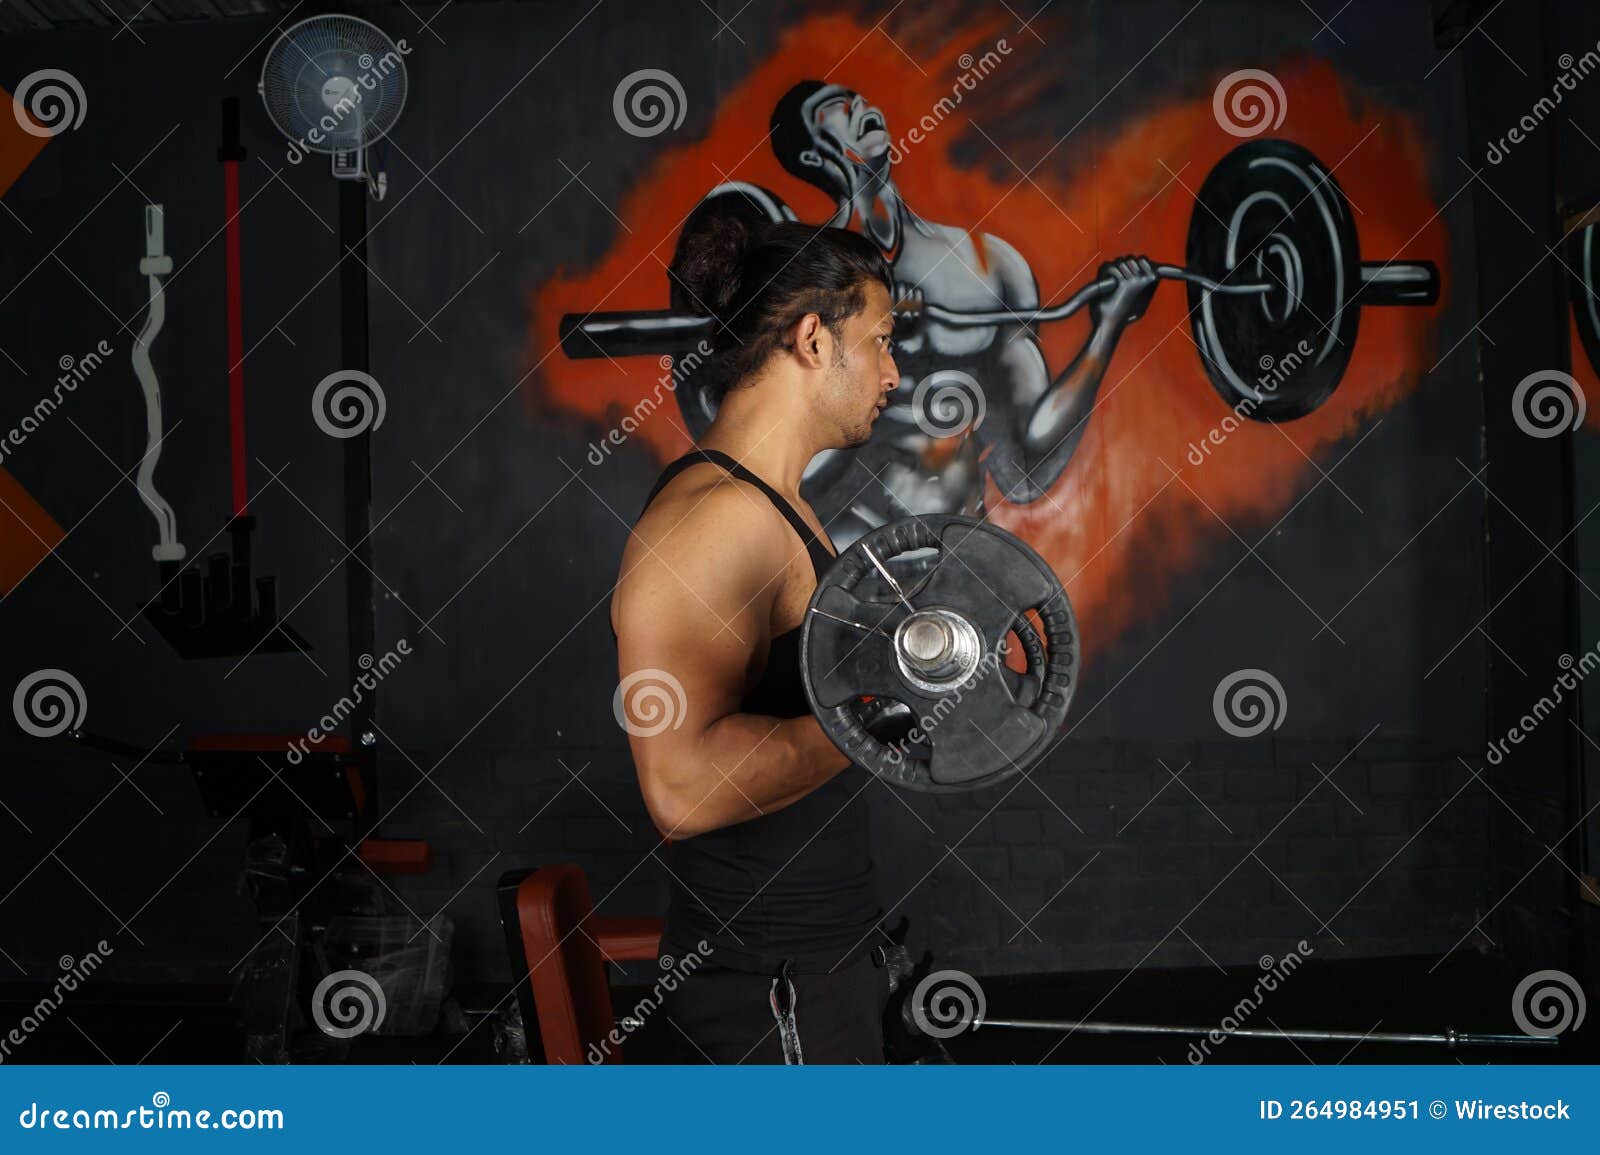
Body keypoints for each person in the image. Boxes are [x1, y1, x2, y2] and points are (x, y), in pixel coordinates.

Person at [609, 217, 900, 1063]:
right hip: (768, 994)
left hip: (818, 965)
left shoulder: (778, 508)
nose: (894, 370)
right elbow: (682, 787)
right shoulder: (719, 518)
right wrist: (874, 717)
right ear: (814, 339)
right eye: (880, 340)